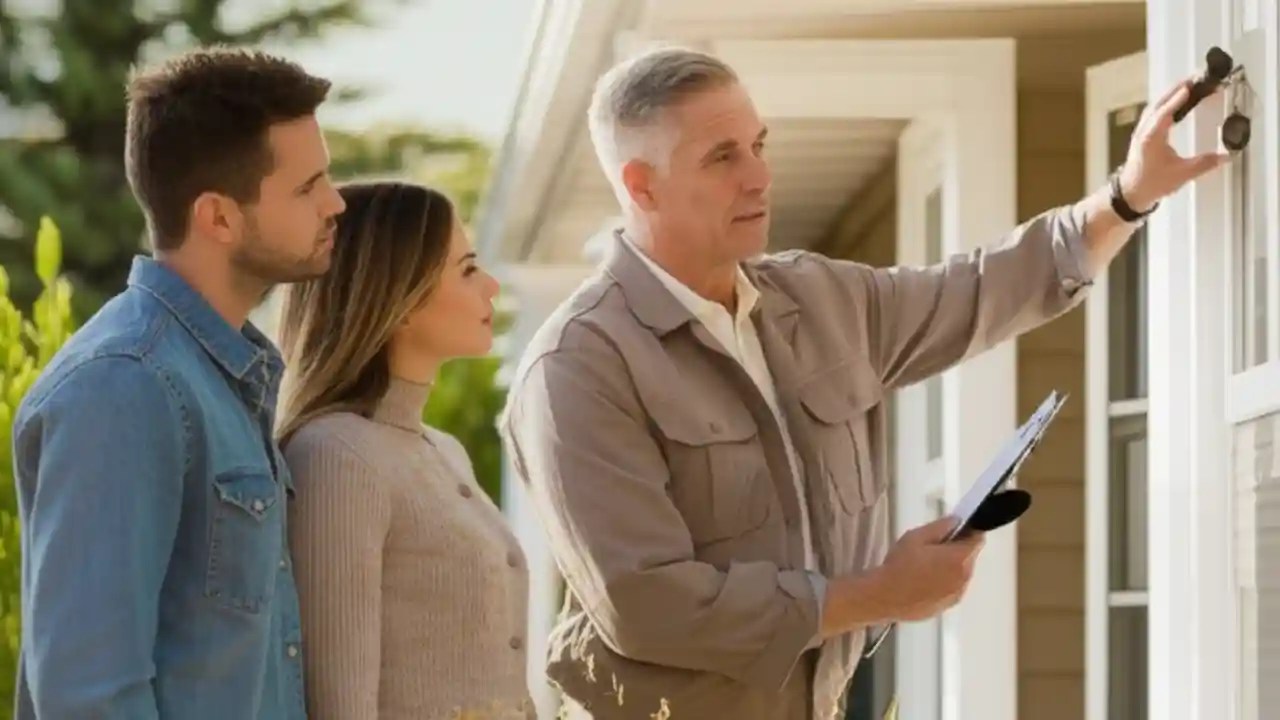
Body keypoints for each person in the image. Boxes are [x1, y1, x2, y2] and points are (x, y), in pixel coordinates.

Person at [498, 47, 1227, 719]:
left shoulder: (822, 301)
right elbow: (645, 604)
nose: (759, 176)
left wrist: (1129, 195)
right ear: (642, 186)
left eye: (758, 146)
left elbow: (982, 288)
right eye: (722, 157)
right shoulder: (576, 367)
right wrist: (875, 596)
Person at [11, 47, 344, 719]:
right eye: (307, 187)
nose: (335, 203)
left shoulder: (224, 378)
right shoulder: (124, 386)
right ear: (218, 217)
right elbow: (89, 696)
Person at [275, 181, 532, 719]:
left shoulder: (444, 450)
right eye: (467, 269)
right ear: (400, 300)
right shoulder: (338, 456)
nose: (490, 286)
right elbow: (339, 704)